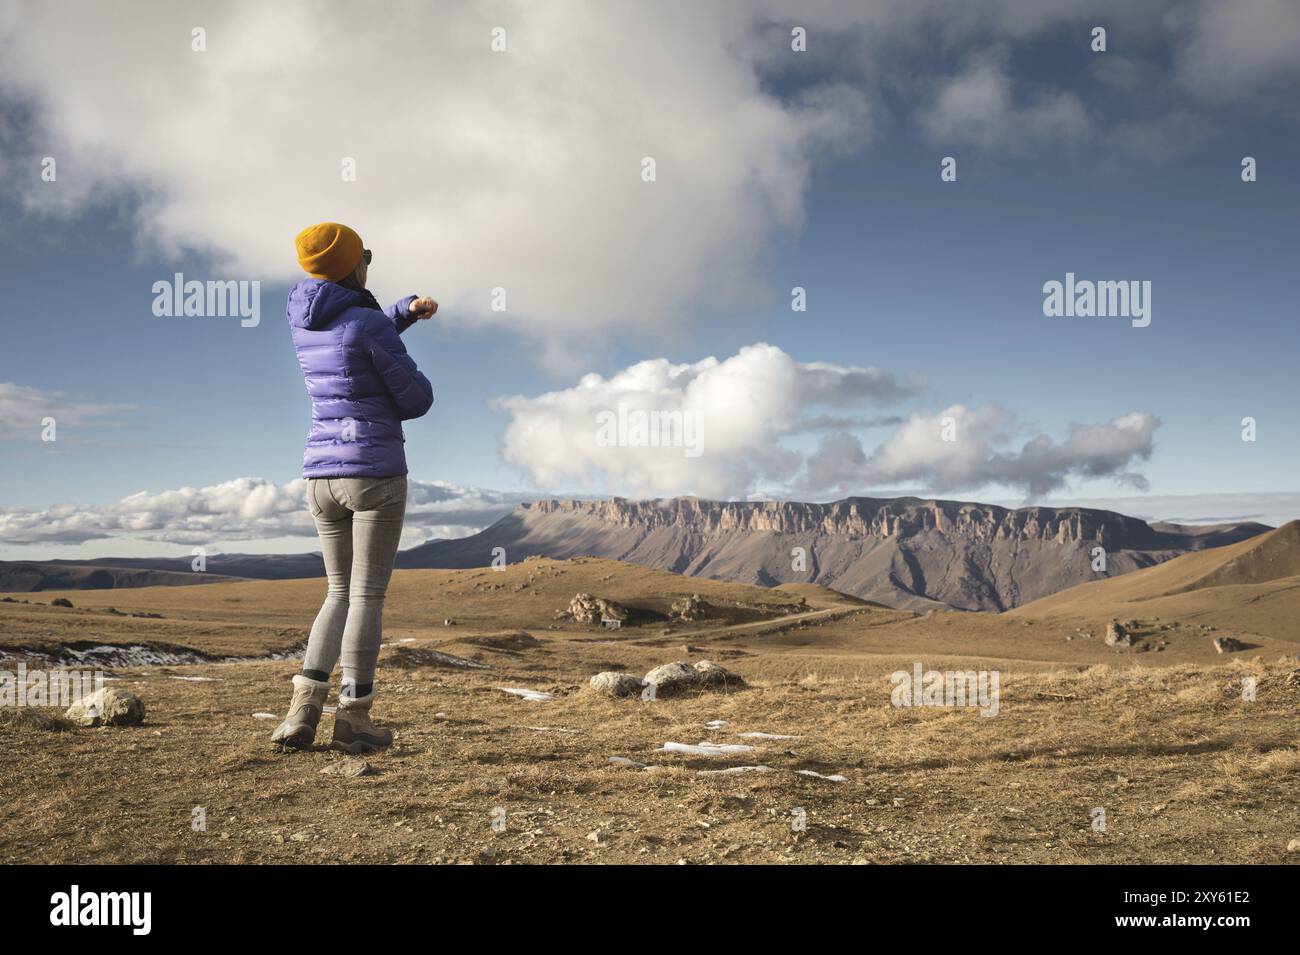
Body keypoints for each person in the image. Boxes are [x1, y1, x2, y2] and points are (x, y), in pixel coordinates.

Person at [272, 222, 436, 753]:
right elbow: (416, 399)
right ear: (351, 265)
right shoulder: (365, 326)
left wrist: (404, 311)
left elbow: (359, 330)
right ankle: (356, 719)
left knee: (336, 593)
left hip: (320, 475)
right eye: (365, 255)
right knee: (366, 595)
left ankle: (302, 711)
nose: (370, 261)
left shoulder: (304, 320)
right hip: (374, 473)